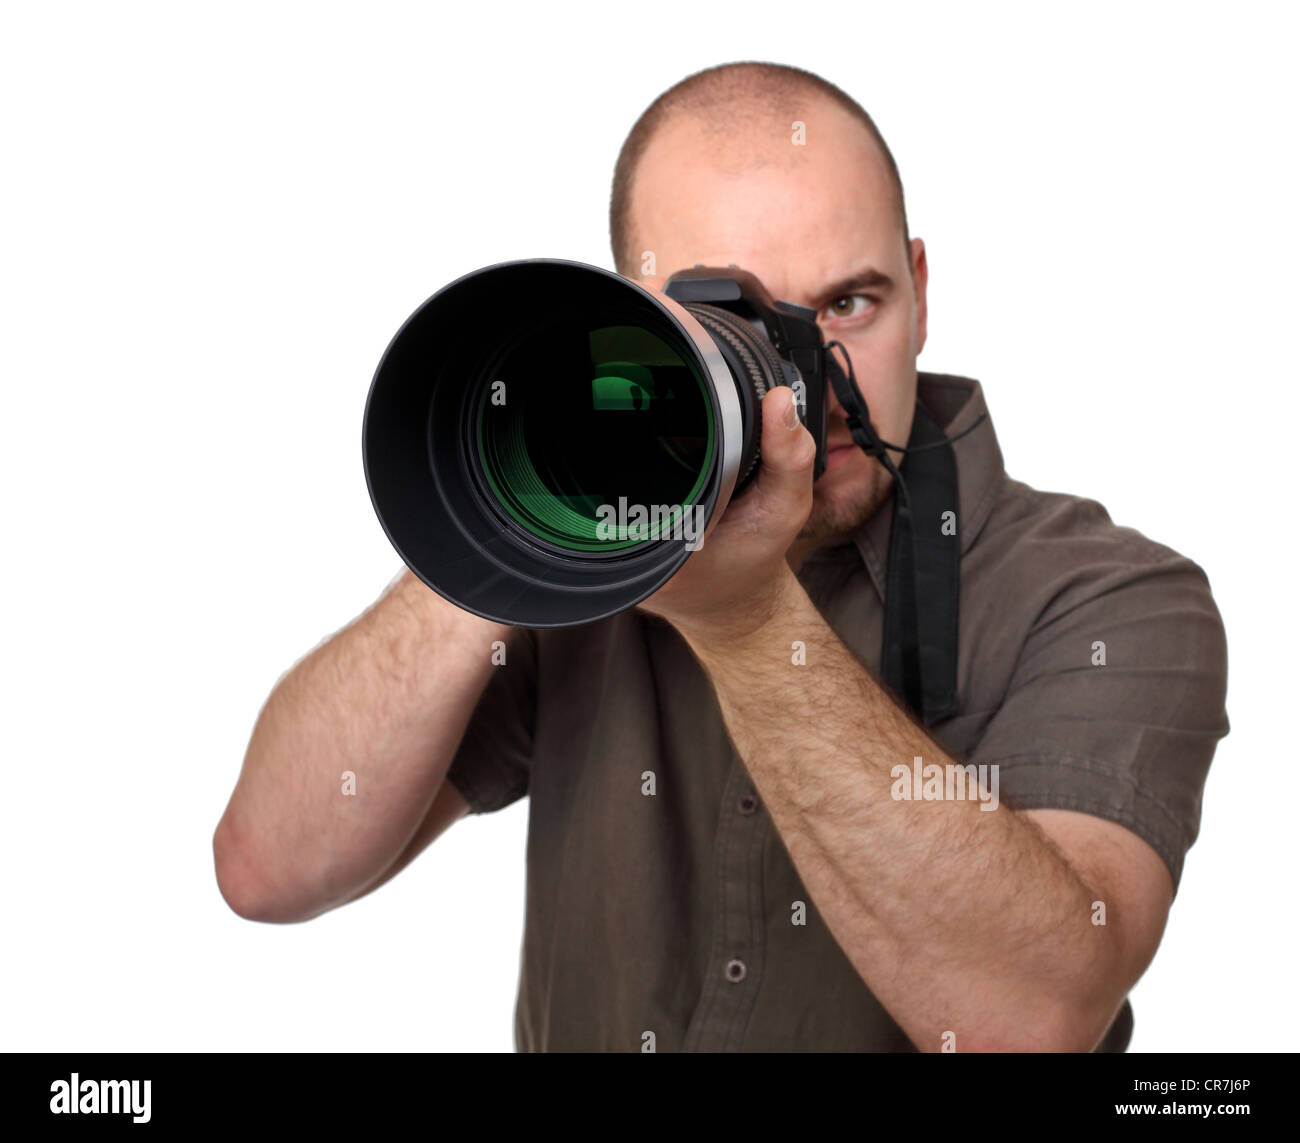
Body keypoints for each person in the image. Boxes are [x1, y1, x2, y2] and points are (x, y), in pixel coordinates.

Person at [213, 61, 1229, 1052]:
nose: (803, 389)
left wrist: (743, 620)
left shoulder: (1106, 598)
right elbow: (271, 870)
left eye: (845, 306)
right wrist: (503, 510)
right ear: (630, 323)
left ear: (919, 289)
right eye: (732, 326)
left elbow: (1029, 1026)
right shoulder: (591, 555)